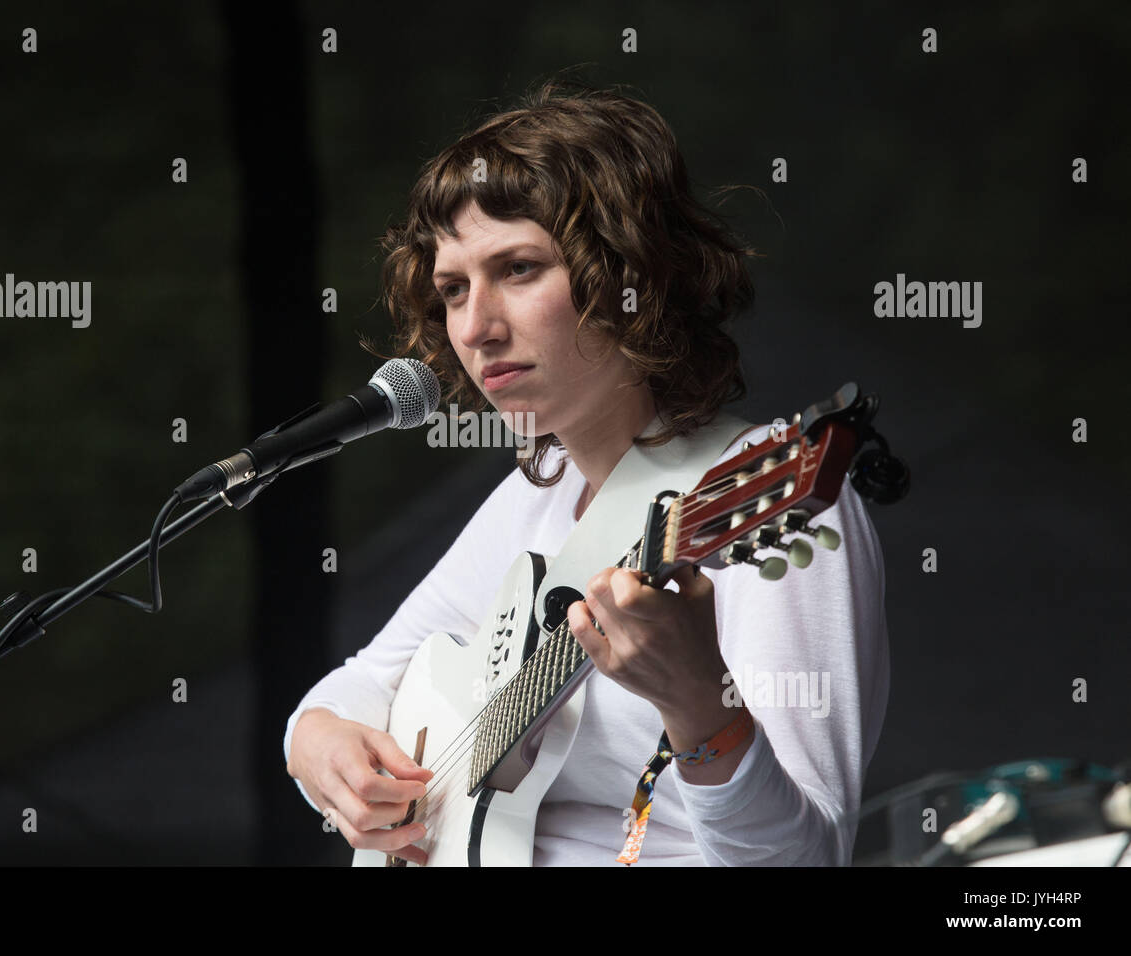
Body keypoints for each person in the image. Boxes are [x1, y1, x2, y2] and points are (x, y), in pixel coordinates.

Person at [284, 80, 889, 866]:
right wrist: (319, 742)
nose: (474, 326)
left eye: (520, 269)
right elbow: (357, 685)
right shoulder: (532, 502)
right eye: (453, 288)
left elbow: (806, 861)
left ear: (628, 277)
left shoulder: (773, 498)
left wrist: (700, 708)